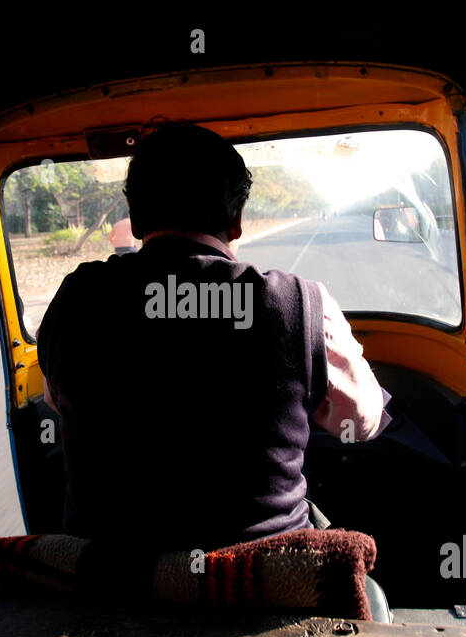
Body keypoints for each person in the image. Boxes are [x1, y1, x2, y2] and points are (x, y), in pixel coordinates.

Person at [37, 124, 389, 550]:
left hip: (106, 578)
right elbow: (360, 423)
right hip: (259, 579)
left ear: (138, 219)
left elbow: (58, 401)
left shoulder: (77, 298)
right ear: (236, 220)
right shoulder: (301, 304)